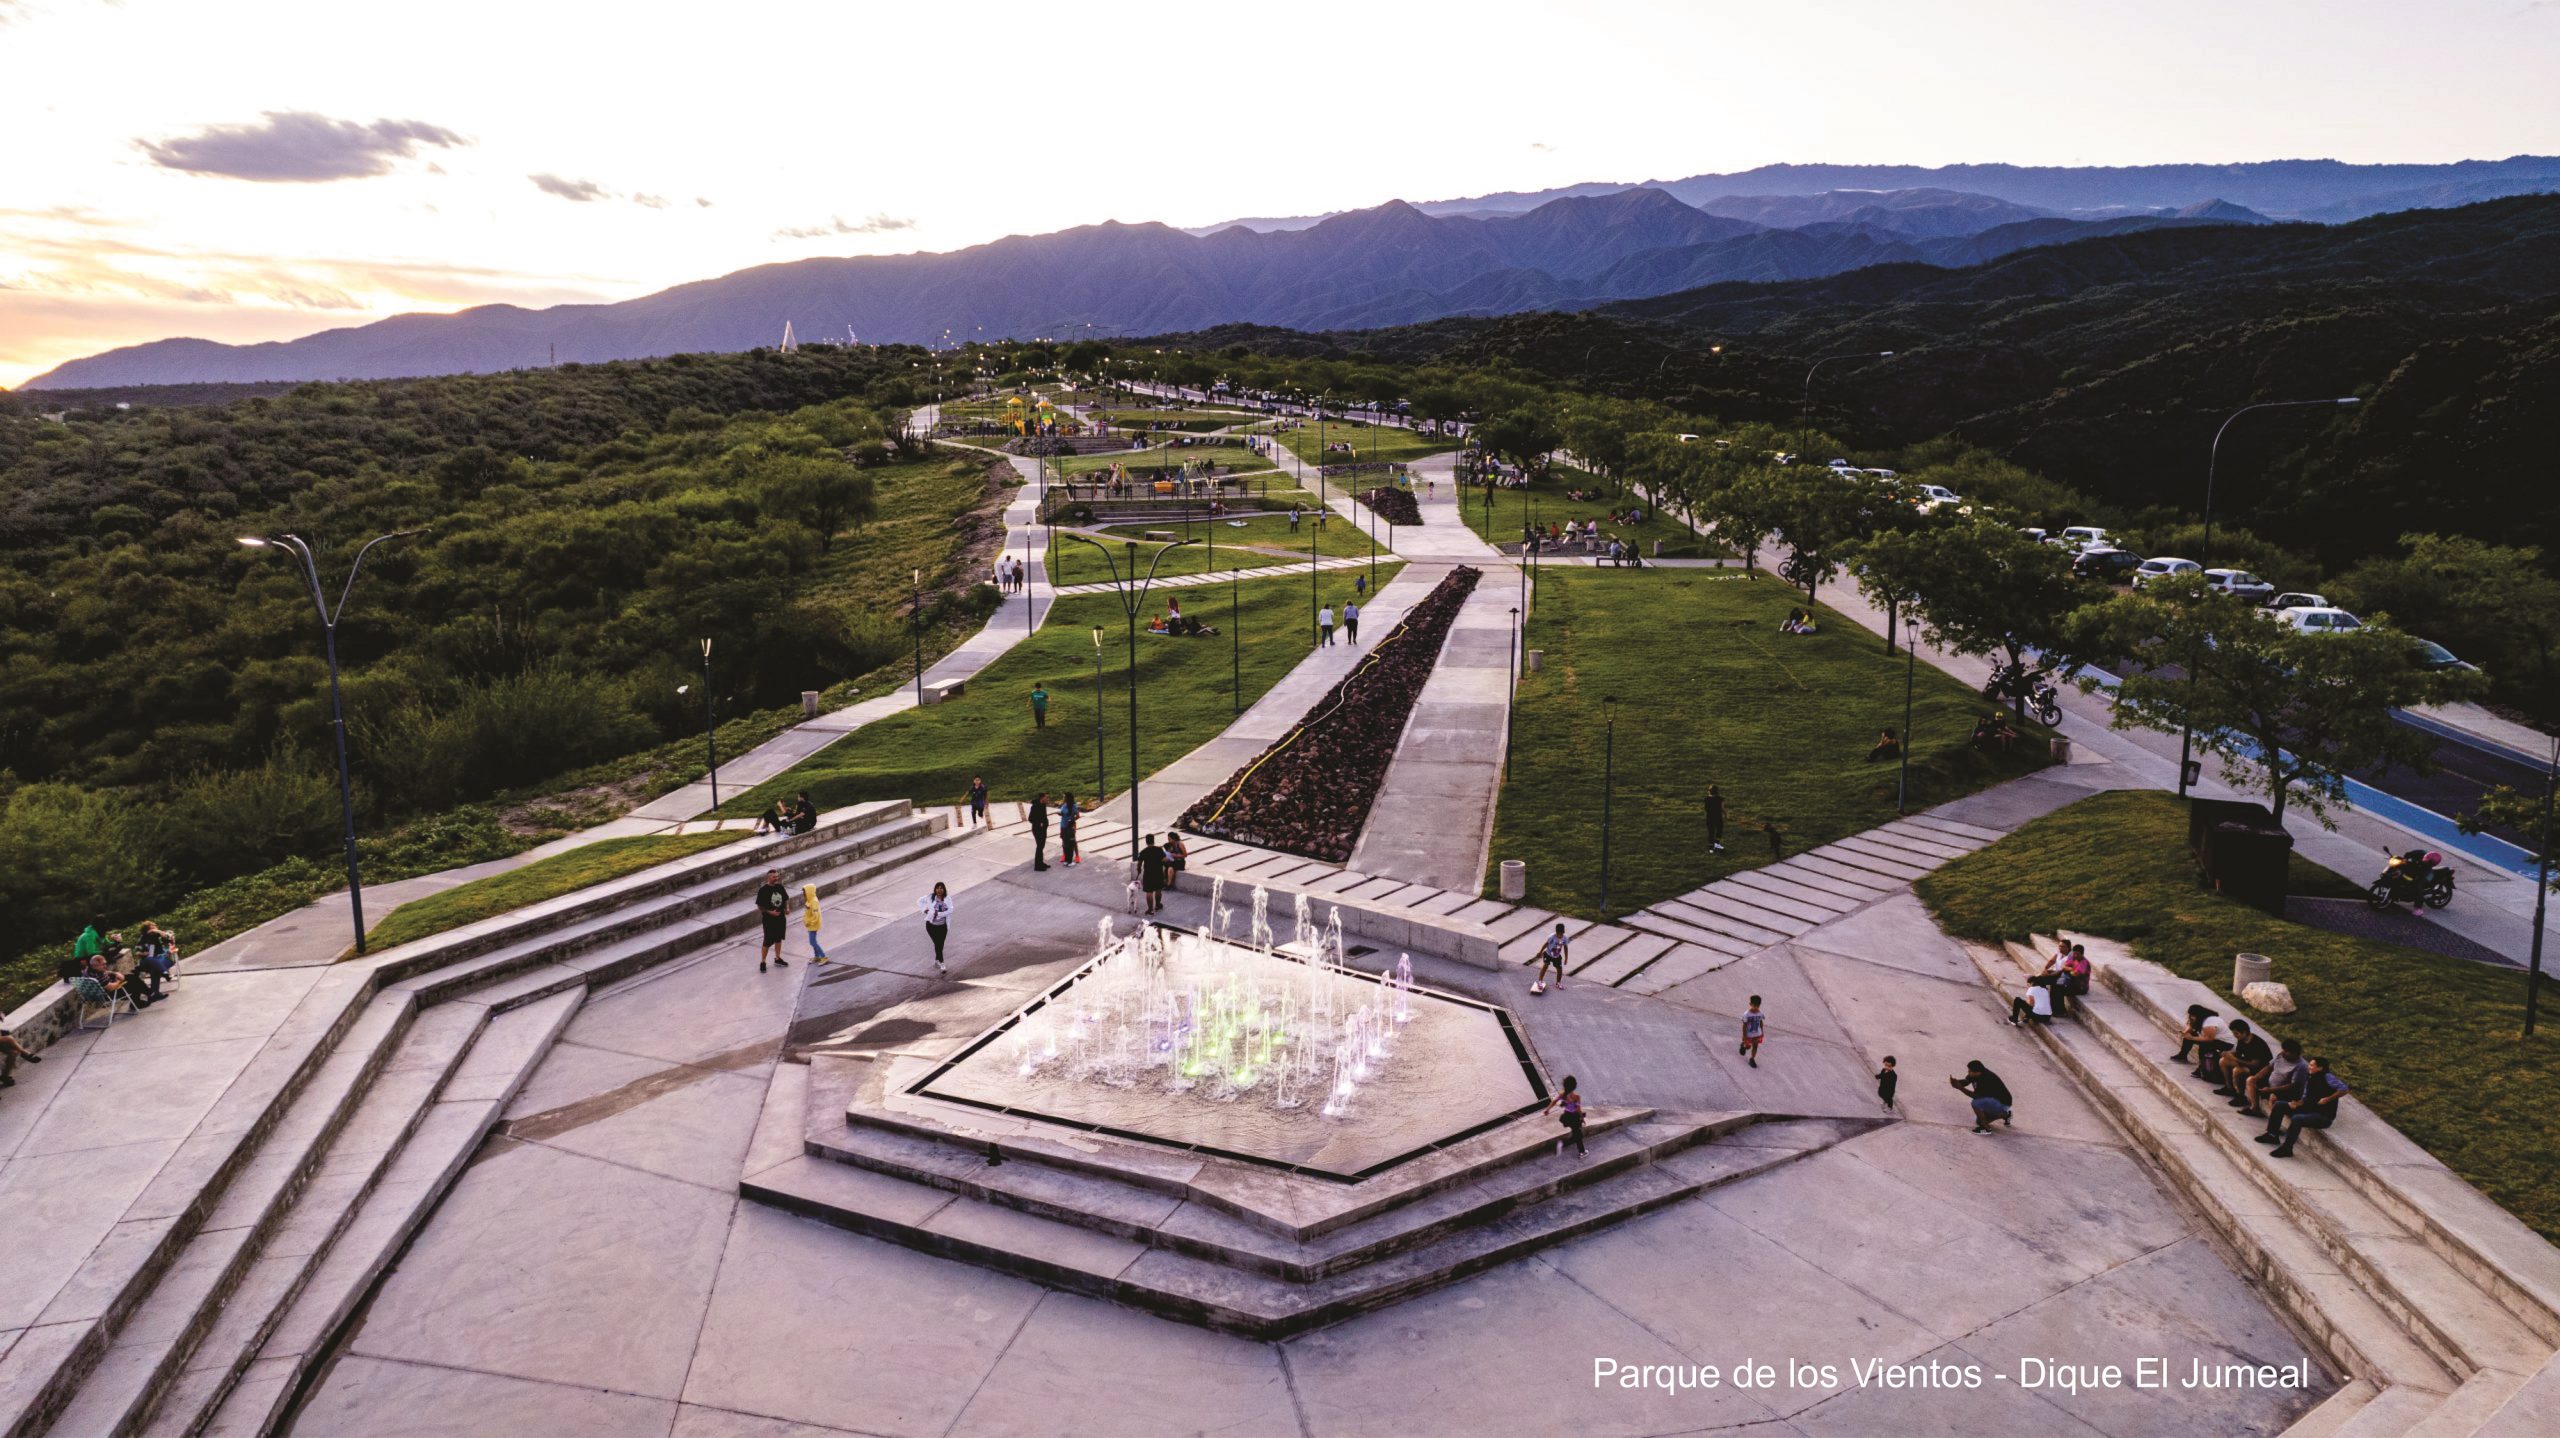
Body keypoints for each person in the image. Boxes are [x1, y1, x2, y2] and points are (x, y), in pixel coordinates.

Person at [2255, 1057, 2346, 1158]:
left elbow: (2344, 1089)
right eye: (2309, 1064)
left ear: (2320, 1068)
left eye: (2312, 1065)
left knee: (2297, 1118)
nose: (2309, 1067)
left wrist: (2328, 1099)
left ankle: (2287, 1148)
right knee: (2280, 1105)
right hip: (2310, 1109)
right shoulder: (2310, 1077)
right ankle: (2272, 1135)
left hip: (2324, 1116)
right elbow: (2305, 1098)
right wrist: (2296, 1104)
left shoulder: (2328, 1077)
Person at [2239, 1038, 2307, 1119]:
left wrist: (2271, 1090)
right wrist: (2256, 1077)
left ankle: (2272, 1126)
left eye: (2285, 1051)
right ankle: (2255, 1109)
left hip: (2285, 1092)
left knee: (2273, 1098)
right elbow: (2269, 1067)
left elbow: (2293, 1086)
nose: (2282, 1052)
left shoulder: (2301, 1066)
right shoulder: (2281, 1055)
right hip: (2271, 1085)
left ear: (2293, 1053)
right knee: (2250, 1080)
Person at [1950, 1061, 2013, 1134]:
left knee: (1976, 1103)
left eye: (1970, 1071)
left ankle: (1986, 1129)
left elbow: (1975, 1096)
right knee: (1979, 1121)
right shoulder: (1977, 1073)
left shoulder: (1987, 1079)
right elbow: (1967, 1081)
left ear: (1978, 1072)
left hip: (2002, 1103)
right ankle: (2006, 1114)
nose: (1968, 1072)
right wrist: (1957, 1082)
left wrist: (1960, 1088)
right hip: (1993, 1101)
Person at [2214, 1019, 2273, 1099]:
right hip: (2247, 1063)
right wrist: (2228, 1054)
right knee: (2223, 1061)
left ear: (2244, 1032)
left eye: (2236, 1033)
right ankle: (2229, 1088)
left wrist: (2234, 1059)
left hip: (2259, 1070)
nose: (2235, 1036)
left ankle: (2240, 1096)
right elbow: (2238, 1052)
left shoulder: (2257, 1044)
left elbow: (2255, 1065)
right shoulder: (2242, 1039)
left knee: (2238, 1070)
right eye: (2234, 1033)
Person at [754, 870, 791, 973]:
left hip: (780, 918)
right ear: (769, 878)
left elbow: (786, 898)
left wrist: (787, 908)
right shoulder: (763, 890)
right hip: (769, 920)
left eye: (777, 876)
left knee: (778, 939)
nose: (776, 878)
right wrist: (771, 912)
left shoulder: (780, 887)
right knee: (767, 941)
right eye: (774, 877)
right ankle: (763, 962)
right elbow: (760, 906)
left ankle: (778, 958)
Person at [1544, 1074, 1587, 1158]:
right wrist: (1582, 1118)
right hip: (1574, 1117)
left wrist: (1547, 1109)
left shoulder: (1562, 1094)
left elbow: (1554, 1101)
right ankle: (1579, 1151)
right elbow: (1578, 1109)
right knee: (1578, 1135)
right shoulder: (1576, 1097)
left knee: (1577, 1134)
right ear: (1574, 1086)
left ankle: (1576, 1149)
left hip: (1566, 1116)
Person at [918, 882, 952, 975]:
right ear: (935, 889)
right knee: (937, 943)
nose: (939, 890)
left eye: (941, 888)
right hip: (931, 926)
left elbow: (950, 910)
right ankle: (942, 963)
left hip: (943, 926)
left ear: (944, 890)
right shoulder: (930, 897)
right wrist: (924, 910)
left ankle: (937, 959)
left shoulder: (947, 898)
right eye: (937, 888)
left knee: (940, 944)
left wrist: (939, 914)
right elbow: (919, 901)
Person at [1530, 923, 1568, 994]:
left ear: (1563, 932)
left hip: (1557, 956)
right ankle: (1540, 981)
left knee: (1559, 969)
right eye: (1558, 934)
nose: (1559, 935)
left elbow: (1565, 947)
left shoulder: (1565, 938)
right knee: (1545, 966)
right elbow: (1546, 944)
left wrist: (1566, 958)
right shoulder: (1552, 937)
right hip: (1548, 954)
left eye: (1561, 934)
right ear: (1556, 932)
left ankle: (1558, 983)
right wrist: (1540, 952)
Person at [1137, 834, 1169, 915]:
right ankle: (1158, 905)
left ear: (1146, 841)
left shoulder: (1143, 852)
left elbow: (1139, 863)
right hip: (1158, 872)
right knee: (1158, 889)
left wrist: (1139, 869)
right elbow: (1165, 860)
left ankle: (1150, 909)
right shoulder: (1159, 849)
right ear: (1153, 840)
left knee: (1149, 891)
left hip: (1148, 873)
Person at [801, 884, 828, 964]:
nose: (803, 894)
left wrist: (808, 922)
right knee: (813, 941)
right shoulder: (809, 900)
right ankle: (817, 956)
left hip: (813, 925)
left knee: (812, 942)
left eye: (804, 892)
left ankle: (823, 956)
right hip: (810, 925)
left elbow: (816, 916)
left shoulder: (814, 902)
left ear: (809, 892)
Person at [1739, 995, 1766, 1066]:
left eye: (1758, 1006)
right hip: (1748, 1035)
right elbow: (1744, 1026)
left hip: (1757, 1034)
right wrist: (1744, 1036)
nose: (1756, 1008)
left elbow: (1761, 1022)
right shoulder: (1747, 1014)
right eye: (1754, 1006)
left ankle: (1752, 1059)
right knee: (1748, 1046)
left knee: (1755, 1046)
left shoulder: (1760, 1013)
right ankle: (1744, 1046)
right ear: (1750, 1004)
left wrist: (1762, 1031)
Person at [1030, 791, 1051, 871]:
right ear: (1042, 798)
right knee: (1039, 847)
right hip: (1037, 830)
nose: (1047, 799)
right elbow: (1030, 819)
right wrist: (1039, 823)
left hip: (1043, 829)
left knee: (1041, 847)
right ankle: (1037, 866)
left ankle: (1041, 863)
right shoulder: (1035, 807)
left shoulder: (1043, 805)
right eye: (1046, 797)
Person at [1059, 794, 1082, 866]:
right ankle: (1065, 856)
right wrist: (1060, 814)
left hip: (1070, 826)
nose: (1063, 798)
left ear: (1067, 798)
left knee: (1072, 841)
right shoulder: (1063, 805)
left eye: (1064, 797)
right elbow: (1063, 814)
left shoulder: (1073, 806)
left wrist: (1071, 820)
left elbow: (1078, 816)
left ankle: (1077, 856)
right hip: (1063, 825)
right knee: (1064, 840)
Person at [1704, 784, 1726, 853]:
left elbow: (1706, 809)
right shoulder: (1720, 799)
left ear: (1709, 791)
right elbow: (1723, 808)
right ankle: (1717, 844)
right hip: (1718, 817)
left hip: (1710, 817)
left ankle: (1711, 848)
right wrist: (1726, 815)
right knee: (1719, 831)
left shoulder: (1706, 799)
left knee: (1711, 833)